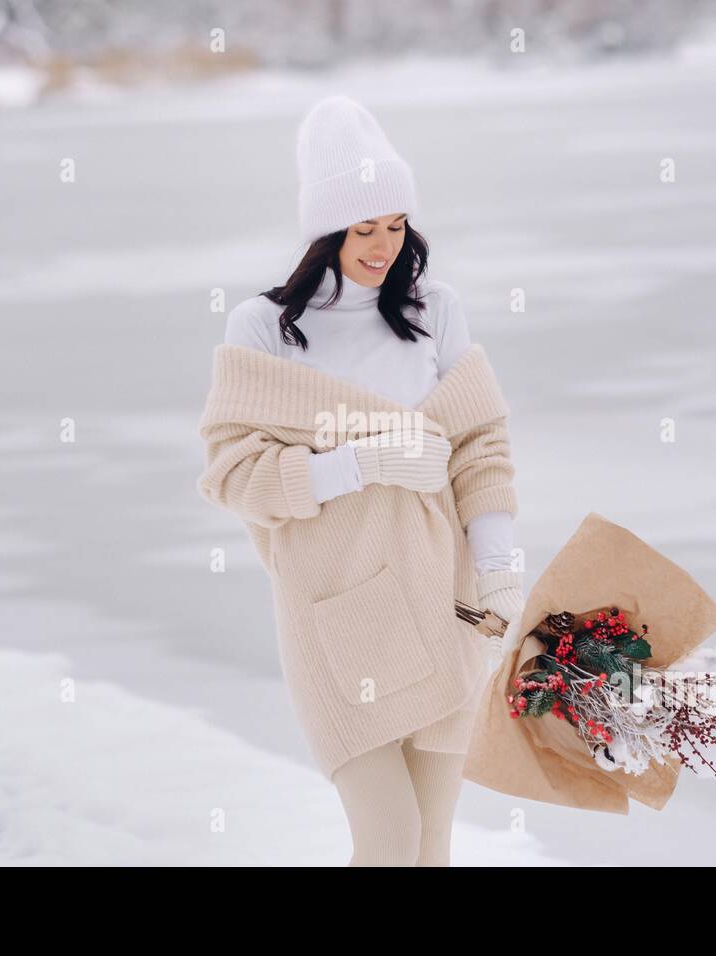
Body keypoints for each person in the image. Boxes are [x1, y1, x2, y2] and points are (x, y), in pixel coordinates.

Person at [197, 95, 524, 865]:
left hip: (443, 598)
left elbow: (481, 446)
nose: (383, 245)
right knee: (388, 838)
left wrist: (500, 564)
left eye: (395, 224)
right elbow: (234, 478)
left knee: (433, 844)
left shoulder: (433, 312)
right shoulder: (263, 328)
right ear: (325, 232)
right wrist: (358, 465)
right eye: (363, 228)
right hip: (334, 606)